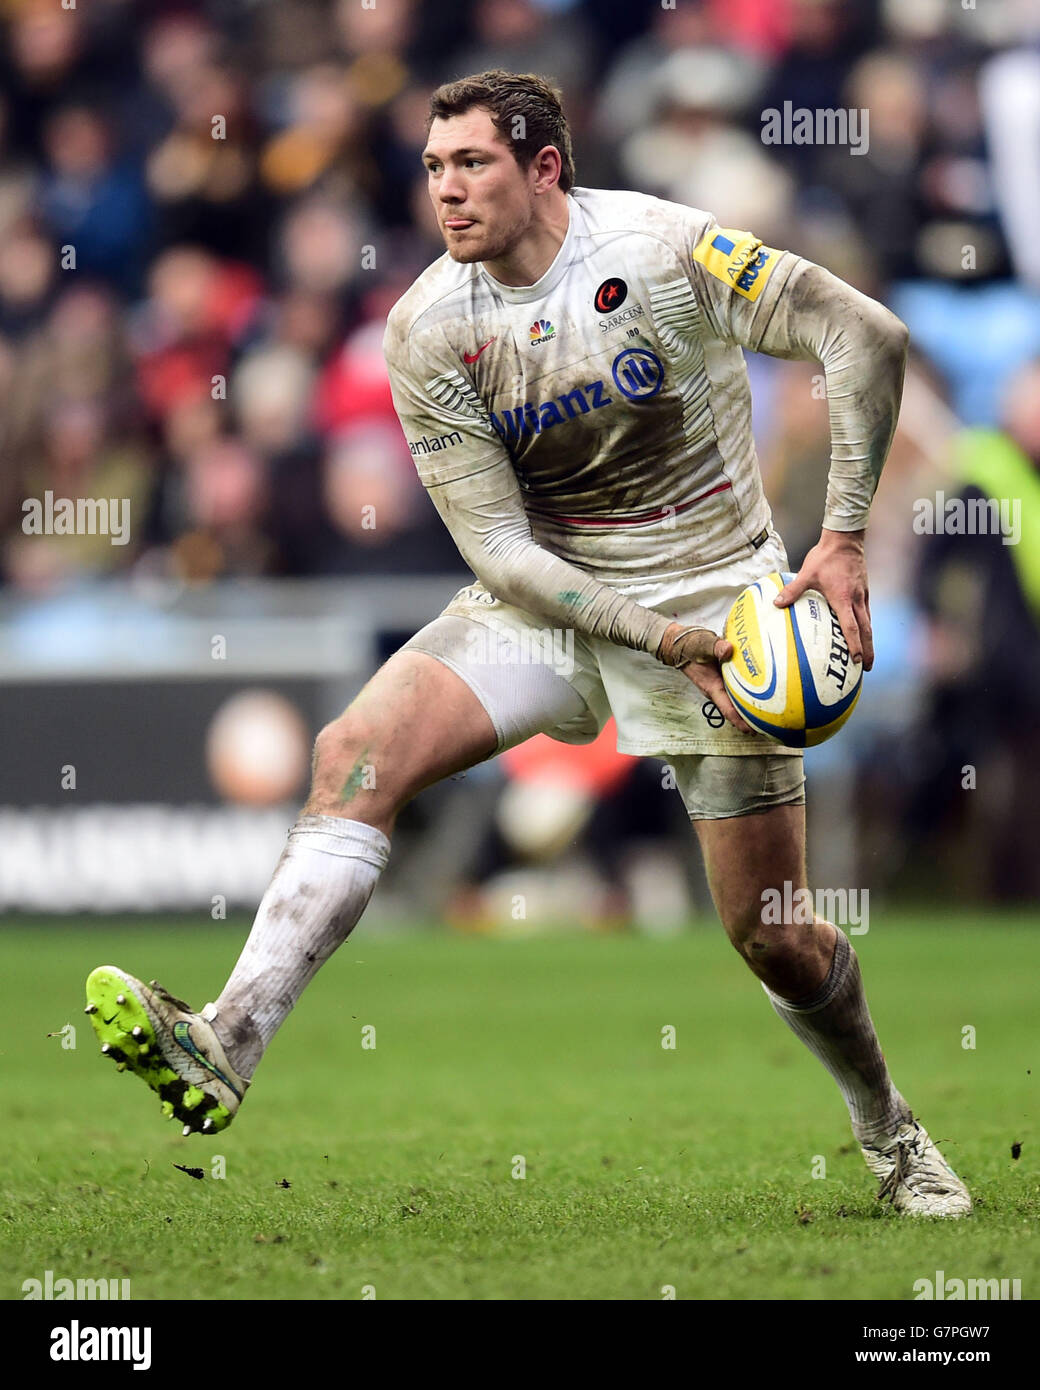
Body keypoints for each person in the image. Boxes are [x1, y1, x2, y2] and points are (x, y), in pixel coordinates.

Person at [86, 69, 969, 1217]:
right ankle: (227, 1039)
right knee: (355, 753)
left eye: (472, 164)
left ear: (544, 166)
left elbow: (863, 333)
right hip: (550, 603)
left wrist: (840, 536)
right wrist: (641, 632)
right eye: (432, 168)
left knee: (774, 936)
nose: (444, 191)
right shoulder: (425, 327)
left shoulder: (661, 250)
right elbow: (500, 551)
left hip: (717, 604)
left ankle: (887, 1128)